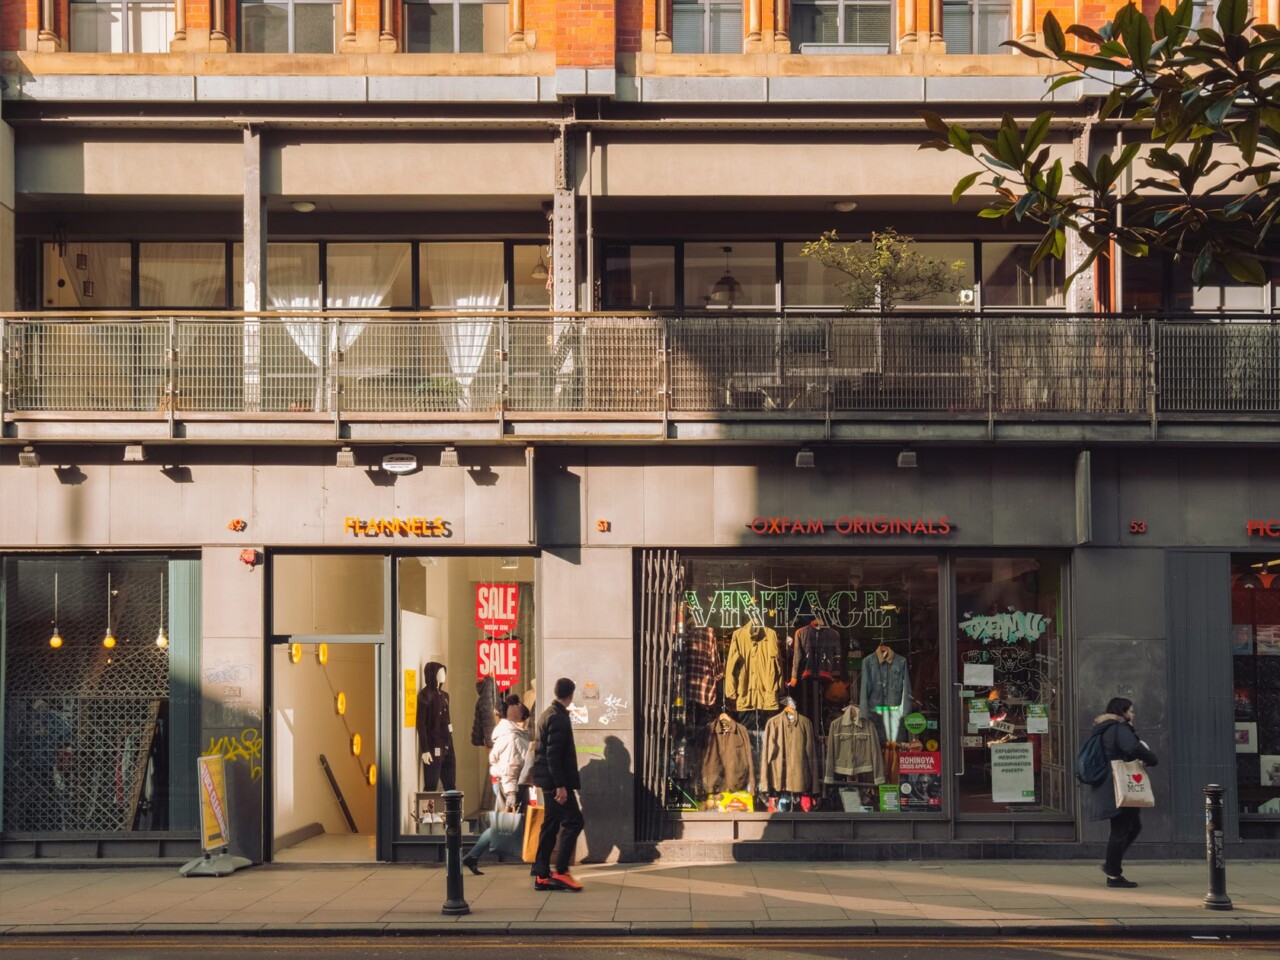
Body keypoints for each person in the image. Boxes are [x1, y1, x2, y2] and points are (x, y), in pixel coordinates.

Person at [1088, 697, 1159, 888]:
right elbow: (1131, 747)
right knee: (1121, 829)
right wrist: (1152, 759)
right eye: (1130, 711)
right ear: (1122, 712)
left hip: (1111, 782)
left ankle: (1111, 866)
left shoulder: (1104, 727)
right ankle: (1113, 873)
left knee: (1132, 826)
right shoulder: (1119, 728)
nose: (1133, 714)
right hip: (1120, 783)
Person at [462, 697, 530, 875]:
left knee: (509, 823)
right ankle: (536, 863)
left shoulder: (511, 733)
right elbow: (510, 767)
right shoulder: (512, 737)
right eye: (520, 708)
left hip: (511, 784)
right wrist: (511, 794)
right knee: (507, 824)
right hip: (511, 786)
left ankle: (473, 856)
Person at [530, 677, 585, 892]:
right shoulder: (558, 718)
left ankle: (542, 873)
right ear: (570, 695)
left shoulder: (548, 714)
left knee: (551, 825)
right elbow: (554, 756)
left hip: (548, 781)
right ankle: (561, 871)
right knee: (574, 822)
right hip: (555, 783)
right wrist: (561, 786)